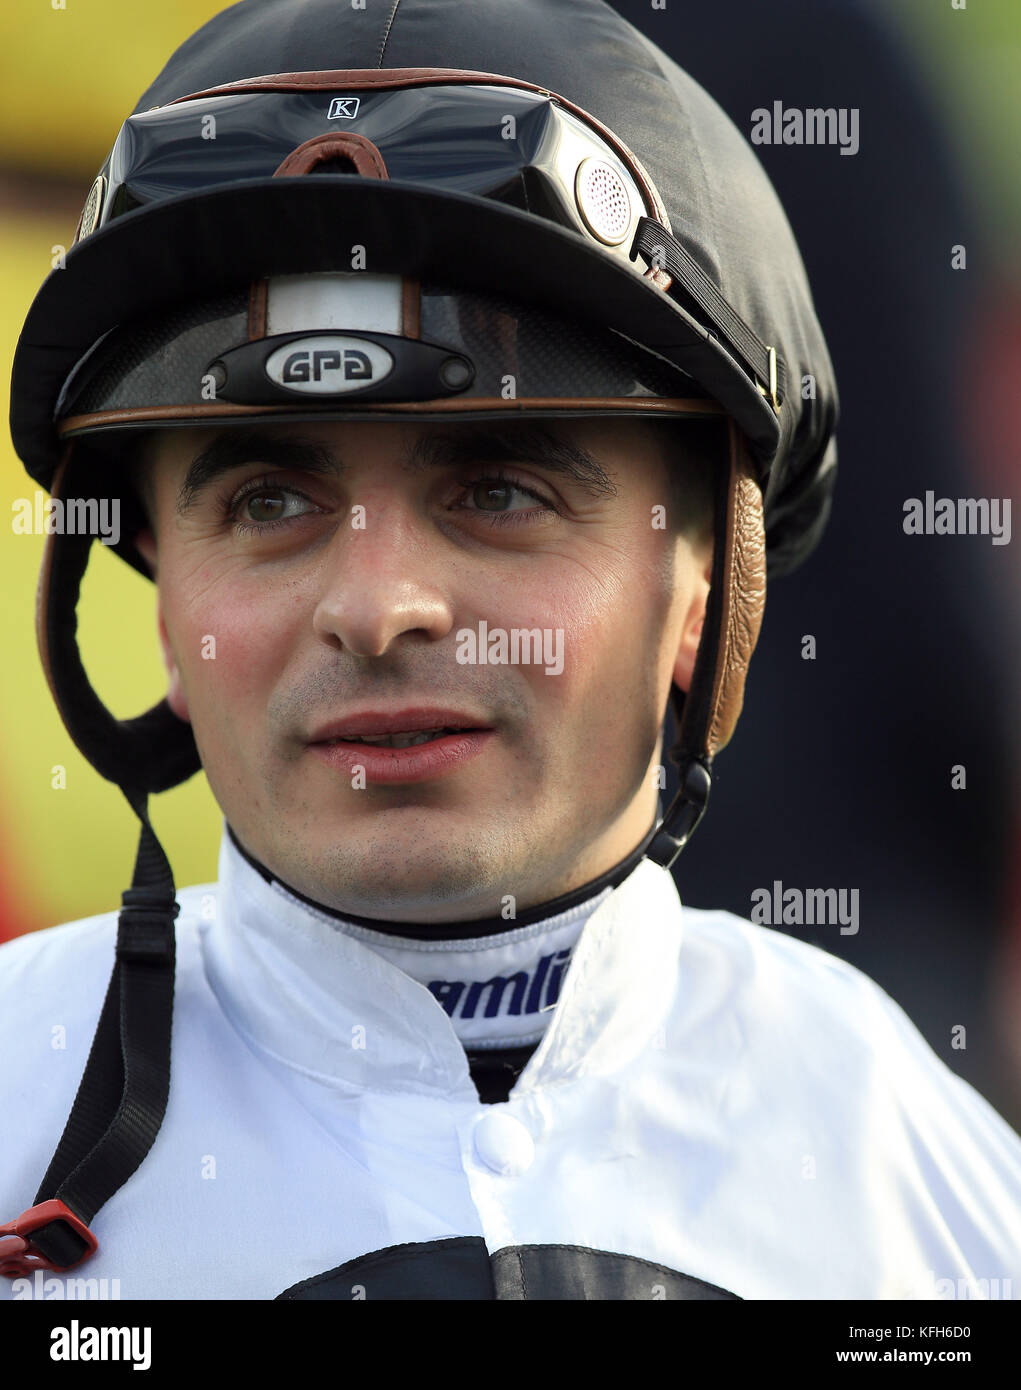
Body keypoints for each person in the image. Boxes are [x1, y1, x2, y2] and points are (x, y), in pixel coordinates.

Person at [2, 0, 1019, 1301]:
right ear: (159, 592)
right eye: (268, 501)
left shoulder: (924, 1193)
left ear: (711, 578)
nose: (377, 610)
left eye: (496, 489)